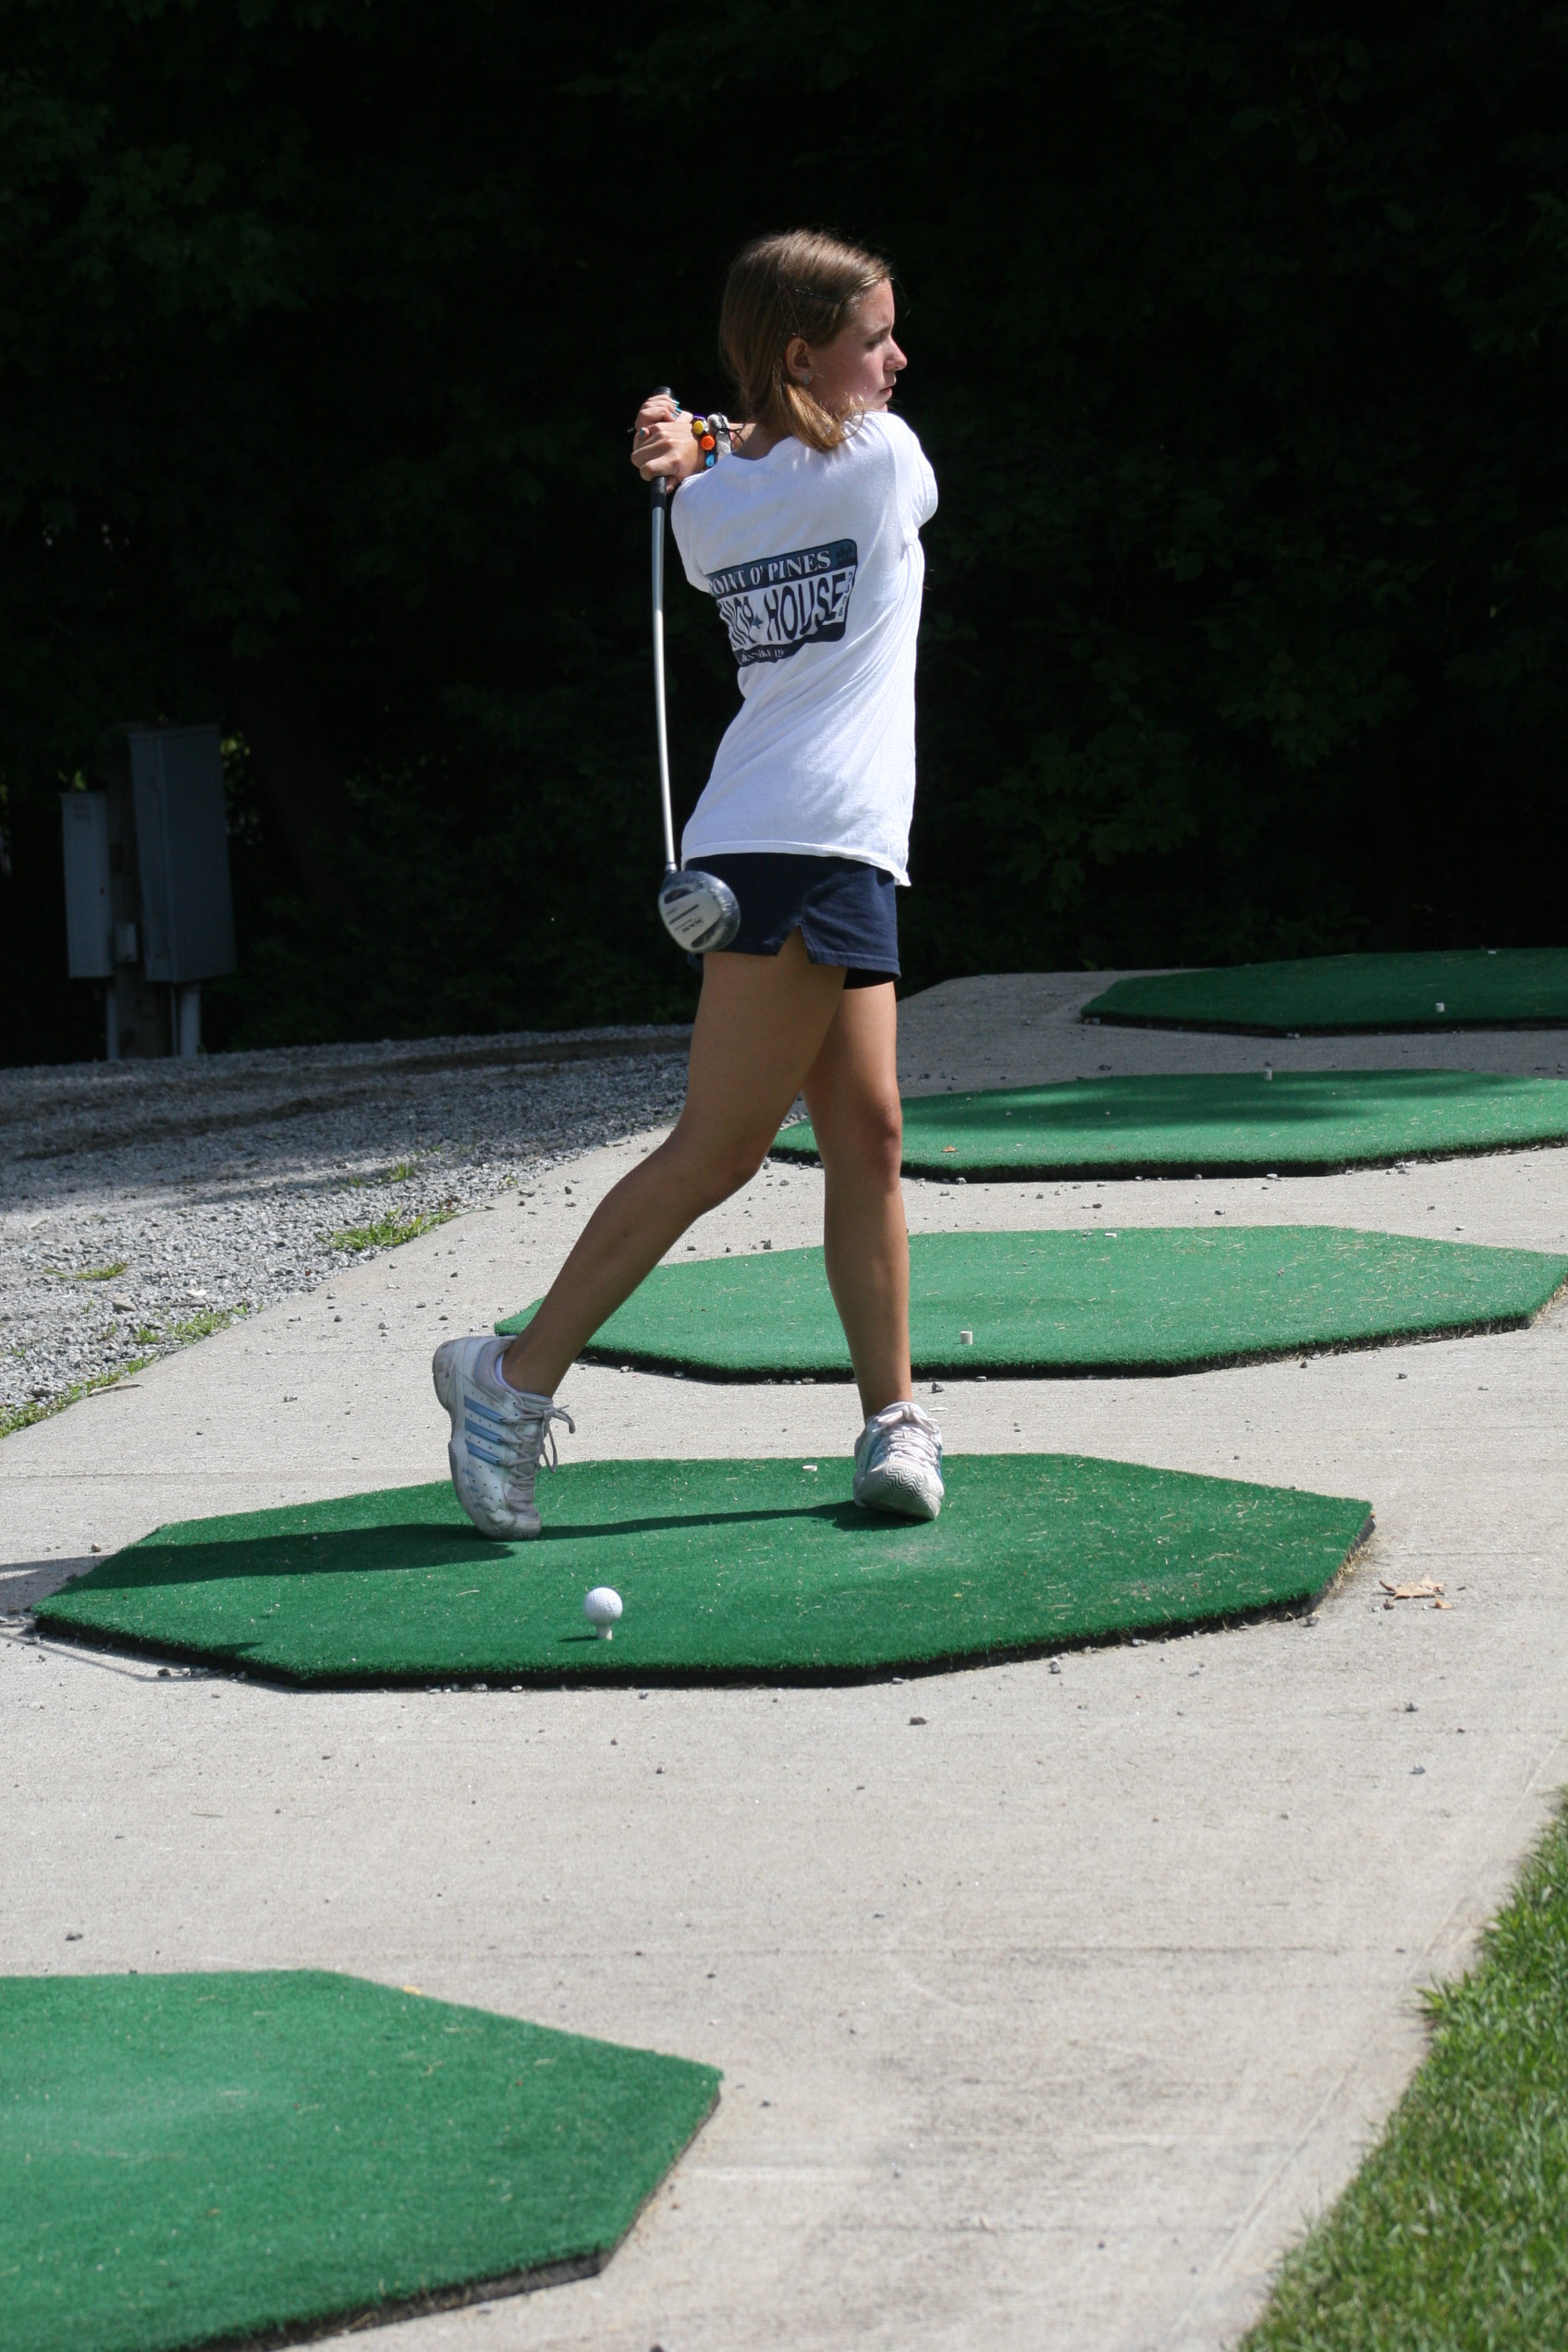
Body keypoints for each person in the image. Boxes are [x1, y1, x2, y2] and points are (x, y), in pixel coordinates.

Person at [434, 228, 944, 1538]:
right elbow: (808, 449)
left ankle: (894, 1419)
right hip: (781, 843)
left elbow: (754, 454)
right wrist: (708, 436)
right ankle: (510, 1378)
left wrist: (701, 439)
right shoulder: (882, 465)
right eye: (873, 337)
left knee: (870, 1136)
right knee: (718, 1149)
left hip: (833, 847)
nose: (899, 358)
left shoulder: (702, 506)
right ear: (800, 353)